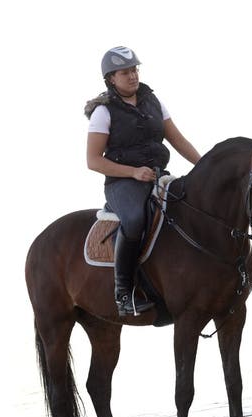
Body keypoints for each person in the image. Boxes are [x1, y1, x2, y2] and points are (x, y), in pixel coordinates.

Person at [85, 46, 201, 316]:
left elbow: (178, 140)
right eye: (125, 72)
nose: (133, 76)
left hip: (157, 176)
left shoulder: (153, 102)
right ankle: (123, 293)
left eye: (135, 70)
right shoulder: (104, 112)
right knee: (136, 219)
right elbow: (93, 160)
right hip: (122, 183)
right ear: (111, 79)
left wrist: (204, 165)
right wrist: (133, 172)